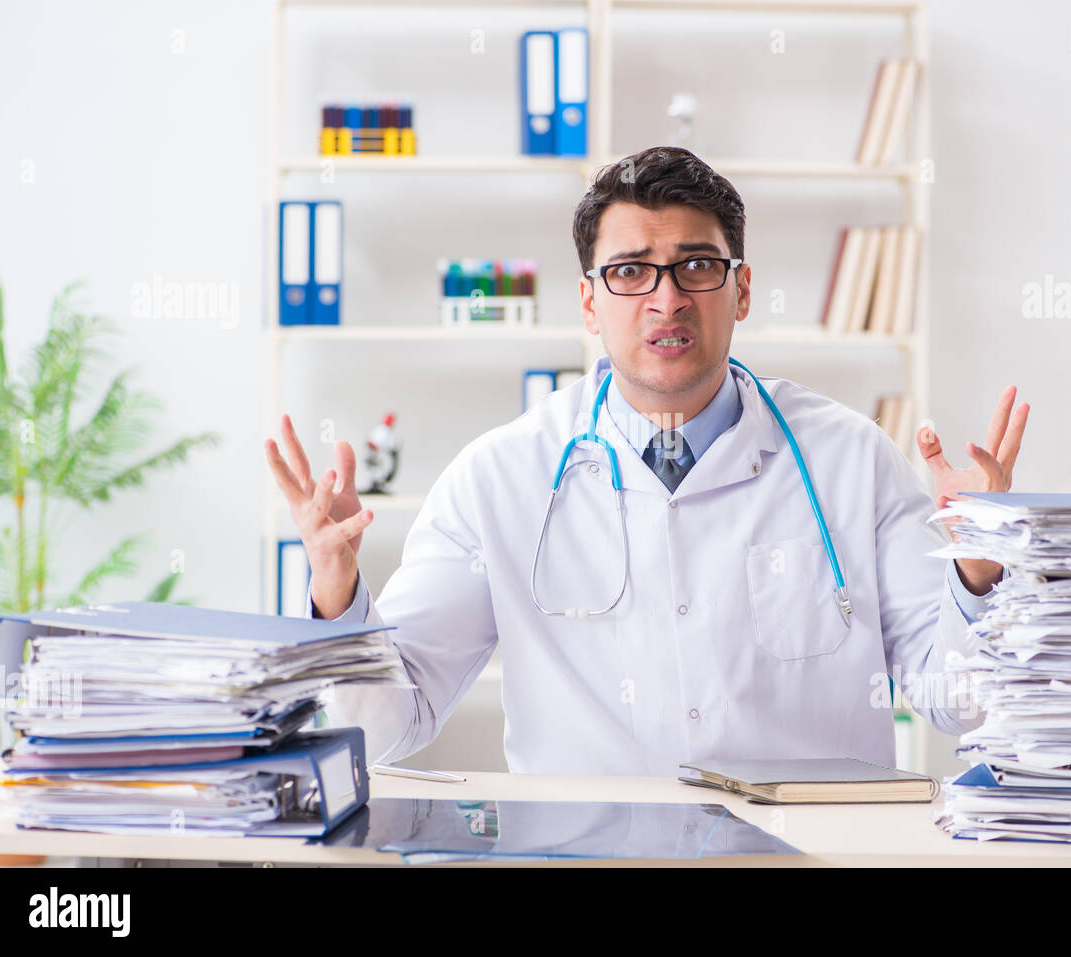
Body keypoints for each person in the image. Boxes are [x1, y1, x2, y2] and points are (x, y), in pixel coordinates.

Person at [264, 146, 1029, 776]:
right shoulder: (499, 478)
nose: (666, 299)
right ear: (590, 303)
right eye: (630, 271)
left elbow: (958, 699)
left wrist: (979, 567)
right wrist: (336, 597)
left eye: (697, 266)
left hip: (811, 858)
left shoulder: (852, 459)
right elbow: (388, 724)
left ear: (743, 290)